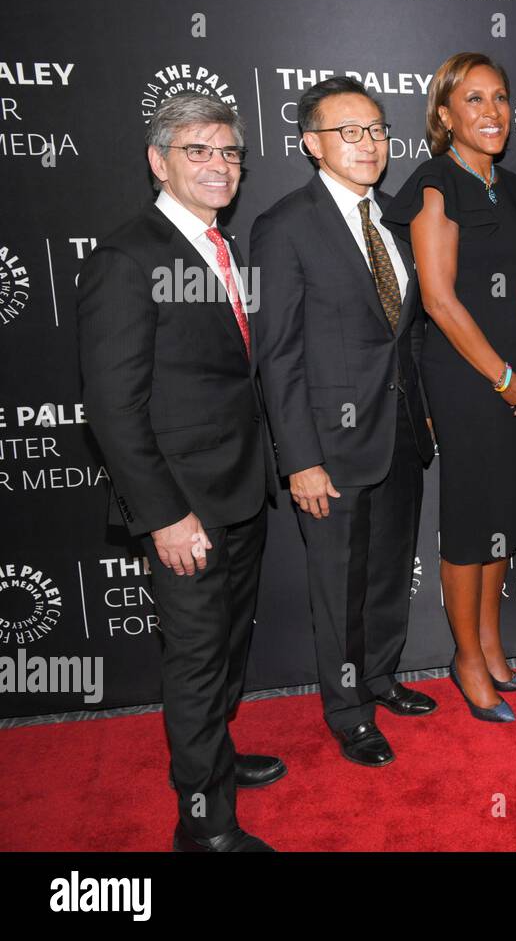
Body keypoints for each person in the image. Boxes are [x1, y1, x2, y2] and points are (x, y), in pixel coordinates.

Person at [77, 92, 281, 851]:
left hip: (239, 490)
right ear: (159, 162)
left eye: (229, 152)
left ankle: (214, 760)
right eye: (199, 150)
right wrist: (162, 514)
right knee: (197, 662)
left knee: (226, 648)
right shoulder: (129, 258)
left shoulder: (224, 250)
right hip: (183, 507)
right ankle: (204, 826)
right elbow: (113, 409)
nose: (219, 165)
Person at [250, 76, 437, 767]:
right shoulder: (284, 225)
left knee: (388, 574)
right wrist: (300, 458)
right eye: (349, 132)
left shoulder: (395, 216)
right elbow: (277, 354)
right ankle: (350, 711)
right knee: (340, 589)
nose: (369, 144)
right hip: (329, 446)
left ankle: (382, 679)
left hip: (399, 434)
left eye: (378, 130)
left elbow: (407, 334)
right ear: (311, 144)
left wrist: (424, 416)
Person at [382, 53, 516, 722]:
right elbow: (442, 301)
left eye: (501, 98)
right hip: (464, 376)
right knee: (471, 520)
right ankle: (466, 659)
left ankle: (490, 640)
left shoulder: (509, 188)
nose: (491, 113)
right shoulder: (433, 183)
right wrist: (504, 378)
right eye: (473, 100)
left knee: (504, 514)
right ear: (445, 115)